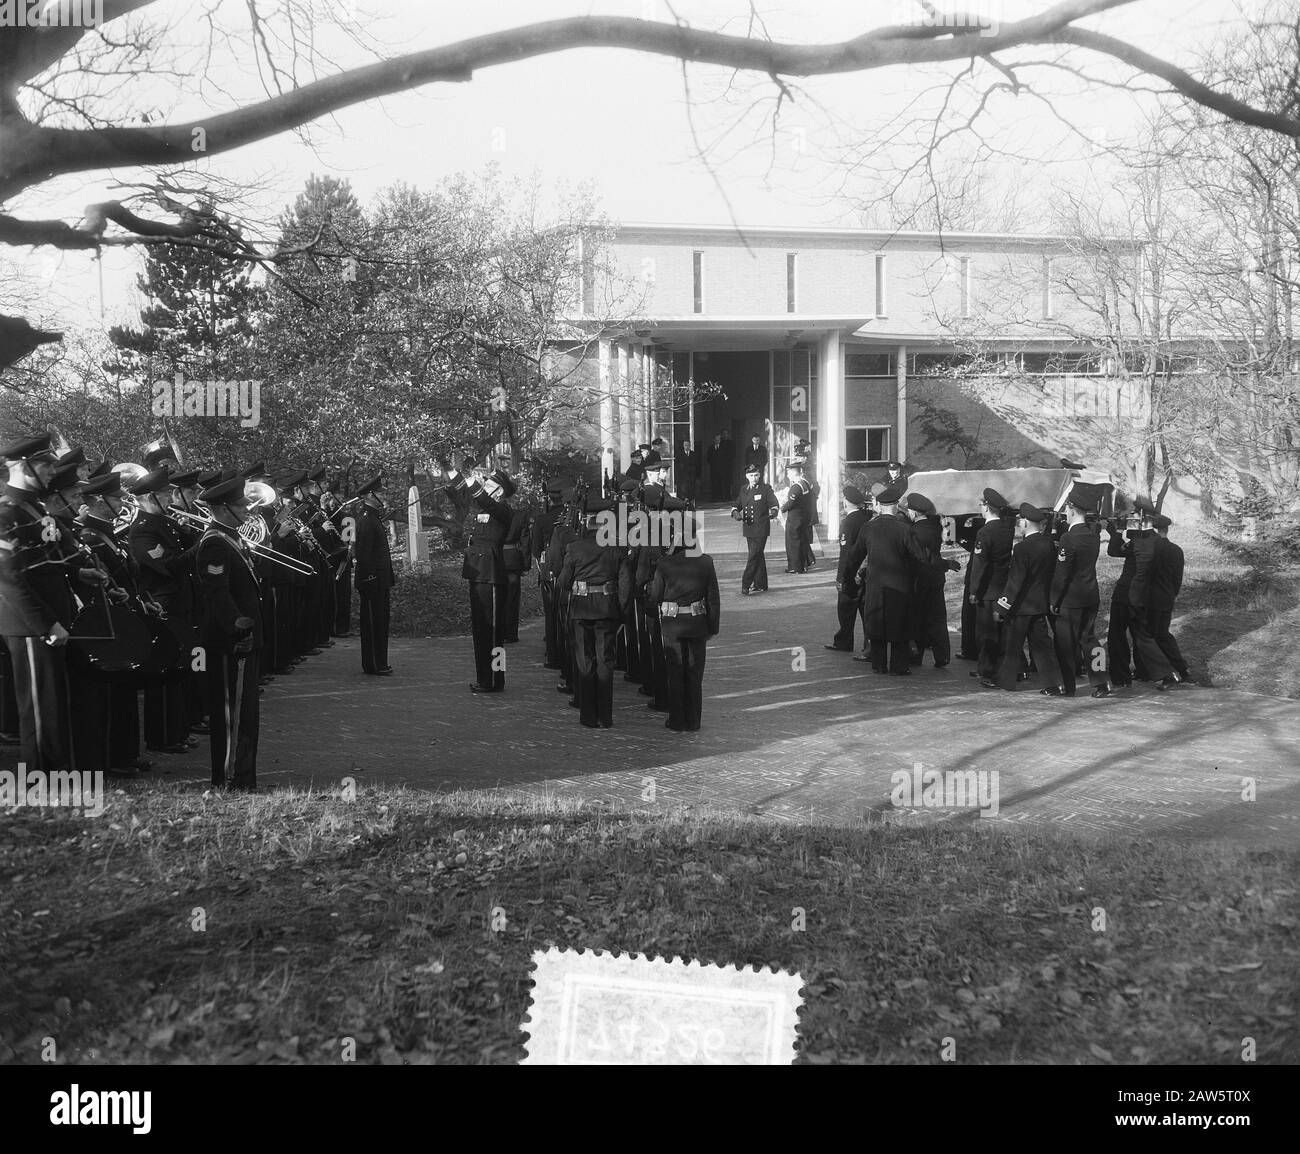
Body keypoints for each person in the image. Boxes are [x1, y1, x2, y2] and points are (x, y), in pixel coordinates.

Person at [0, 434, 77, 773]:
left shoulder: (35, 506)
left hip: (50, 619)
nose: (50, 471)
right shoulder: (6, 512)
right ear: (22, 465)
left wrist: (81, 573)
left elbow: (47, 561)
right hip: (32, 625)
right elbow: (11, 580)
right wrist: (46, 624)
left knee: (54, 705)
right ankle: (41, 783)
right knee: (39, 708)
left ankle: (55, 776)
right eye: (45, 464)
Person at [195, 475, 263, 791]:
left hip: (241, 638)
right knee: (232, 716)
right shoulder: (214, 543)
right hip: (229, 641)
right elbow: (217, 594)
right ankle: (230, 778)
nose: (246, 510)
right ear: (223, 508)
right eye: (239, 505)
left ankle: (243, 777)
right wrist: (237, 627)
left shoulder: (231, 538)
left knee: (245, 714)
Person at [127, 467, 200, 753]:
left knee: (182, 669)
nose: (171, 498)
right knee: (165, 673)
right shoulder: (143, 530)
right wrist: (203, 544)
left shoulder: (166, 523)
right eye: (165, 494)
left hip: (182, 602)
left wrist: (197, 535)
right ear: (148, 498)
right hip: (164, 604)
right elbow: (169, 566)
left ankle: (179, 729)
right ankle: (162, 736)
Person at [556, 495, 632, 728]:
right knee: (605, 662)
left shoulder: (575, 548)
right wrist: (622, 614)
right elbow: (626, 586)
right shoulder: (617, 549)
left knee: (585, 662)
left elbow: (563, 582)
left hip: (581, 610)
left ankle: (588, 715)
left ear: (586, 522)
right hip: (607, 610)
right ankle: (605, 716)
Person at [442, 456, 512, 693]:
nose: (485, 488)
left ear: (500, 491)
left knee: (493, 633)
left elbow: (479, 495)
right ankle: (485, 677)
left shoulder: (502, 509)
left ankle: (495, 679)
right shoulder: (484, 507)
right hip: (478, 573)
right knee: (481, 631)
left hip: (492, 575)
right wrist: (453, 472)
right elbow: (466, 492)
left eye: (490, 485)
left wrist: (472, 479)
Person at [845, 484, 926, 674]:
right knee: (899, 624)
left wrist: (847, 578)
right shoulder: (904, 529)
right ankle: (899, 666)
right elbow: (921, 555)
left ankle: (878, 664)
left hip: (875, 584)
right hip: (899, 584)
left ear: (879, 505)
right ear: (896, 505)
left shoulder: (868, 528)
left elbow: (854, 556)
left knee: (877, 622)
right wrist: (943, 564)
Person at [649, 515, 720, 732]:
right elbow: (713, 599)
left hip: (672, 625)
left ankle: (677, 719)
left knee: (675, 672)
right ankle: (694, 720)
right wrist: (712, 627)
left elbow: (655, 597)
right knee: (694, 672)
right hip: (697, 624)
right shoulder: (705, 562)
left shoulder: (665, 563)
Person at [992, 504, 1063, 693]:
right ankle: (1053, 684)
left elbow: (1015, 581)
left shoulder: (1022, 548)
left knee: (1011, 645)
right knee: (1042, 647)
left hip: (1021, 607)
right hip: (1039, 605)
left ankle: (1004, 681)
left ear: (1024, 522)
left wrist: (1001, 607)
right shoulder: (1048, 544)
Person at [1049, 483, 1108, 698]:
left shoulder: (1068, 538)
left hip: (1070, 600)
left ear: (1072, 510)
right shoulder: (1093, 535)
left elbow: (1062, 573)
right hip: (1090, 595)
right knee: (1090, 640)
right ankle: (1101, 682)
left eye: (1066, 509)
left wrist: (1054, 599)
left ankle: (1069, 686)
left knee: (1065, 643)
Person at [902, 491, 961, 667]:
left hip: (919, 579)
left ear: (912, 512)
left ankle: (915, 656)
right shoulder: (934, 527)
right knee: (937, 618)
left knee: (917, 619)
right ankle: (942, 656)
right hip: (935, 578)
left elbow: (920, 557)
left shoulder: (912, 531)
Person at [968, 488, 1016, 685]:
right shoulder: (1007, 529)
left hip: (987, 590)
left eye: (982, 505)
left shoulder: (985, 532)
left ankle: (988, 670)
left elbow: (980, 564)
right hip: (1002, 587)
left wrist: (973, 590)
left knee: (986, 633)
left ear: (987, 508)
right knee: (1001, 631)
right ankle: (988, 667)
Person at [352, 474, 394, 676]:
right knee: (373, 624)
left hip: (379, 580)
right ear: (370, 495)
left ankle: (379, 661)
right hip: (372, 582)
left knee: (380, 622)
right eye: (379, 492)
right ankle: (374, 664)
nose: (382, 495)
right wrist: (371, 579)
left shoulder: (373, 517)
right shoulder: (367, 520)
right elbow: (364, 554)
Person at [827, 485, 872, 650]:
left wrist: (842, 577)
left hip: (852, 572)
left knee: (845, 609)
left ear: (847, 502)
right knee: (866, 611)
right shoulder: (867, 518)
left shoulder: (848, 522)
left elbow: (846, 553)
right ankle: (869, 645)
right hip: (866, 571)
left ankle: (844, 641)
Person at [1149, 514, 1191, 684]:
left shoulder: (1151, 548)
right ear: (1166, 529)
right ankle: (1182, 670)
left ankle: (1166, 672)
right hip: (1167, 597)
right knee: (1163, 635)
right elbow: (1177, 579)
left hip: (1150, 599)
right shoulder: (1176, 550)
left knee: (1150, 637)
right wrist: (1171, 594)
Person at [530, 480, 567, 670]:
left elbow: (535, 549)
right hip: (569, 567)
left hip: (550, 568)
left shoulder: (542, 520)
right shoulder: (570, 518)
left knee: (551, 614)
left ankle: (553, 654)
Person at [732, 462, 779, 595]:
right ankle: (761, 584)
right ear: (747, 476)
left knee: (753, 556)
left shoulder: (765, 489)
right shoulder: (743, 489)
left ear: (760, 475)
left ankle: (745, 584)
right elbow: (736, 504)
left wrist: (773, 512)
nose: (754, 478)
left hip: (761, 528)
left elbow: (774, 504)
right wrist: (735, 513)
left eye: (757, 475)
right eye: (752, 475)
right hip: (748, 528)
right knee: (758, 555)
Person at [779, 459, 813, 574]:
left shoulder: (796, 487)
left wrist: (781, 509)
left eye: (789, 472)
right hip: (803, 516)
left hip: (795, 518)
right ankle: (804, 564)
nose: (788, 475)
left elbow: (791, 503)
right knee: (801, 540)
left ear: (794, 473)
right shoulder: (805, 483)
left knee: (793, 543)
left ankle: (795, 567)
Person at [706, 434, 725, 501]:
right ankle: (714, 497)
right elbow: (708, 458)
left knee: (722, 483)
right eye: (716, 439)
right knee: (714, 483)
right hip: (713, 469)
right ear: (714, 440)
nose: (717, 441)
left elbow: (726, 458)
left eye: (718, 439)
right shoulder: (710, 448)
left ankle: (722, 497)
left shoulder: (724, 448)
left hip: (722, 469)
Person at [718, 429, 736, 500]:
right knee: (721, 481)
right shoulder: (720, 443)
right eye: (724, 434)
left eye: (726, 434)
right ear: (722, 435)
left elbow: (733, 453)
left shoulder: (731, 443)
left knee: (729, 480)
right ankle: (722, 496)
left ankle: (729, 496)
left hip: (729, 464)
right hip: (721, 465)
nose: (725, 435)